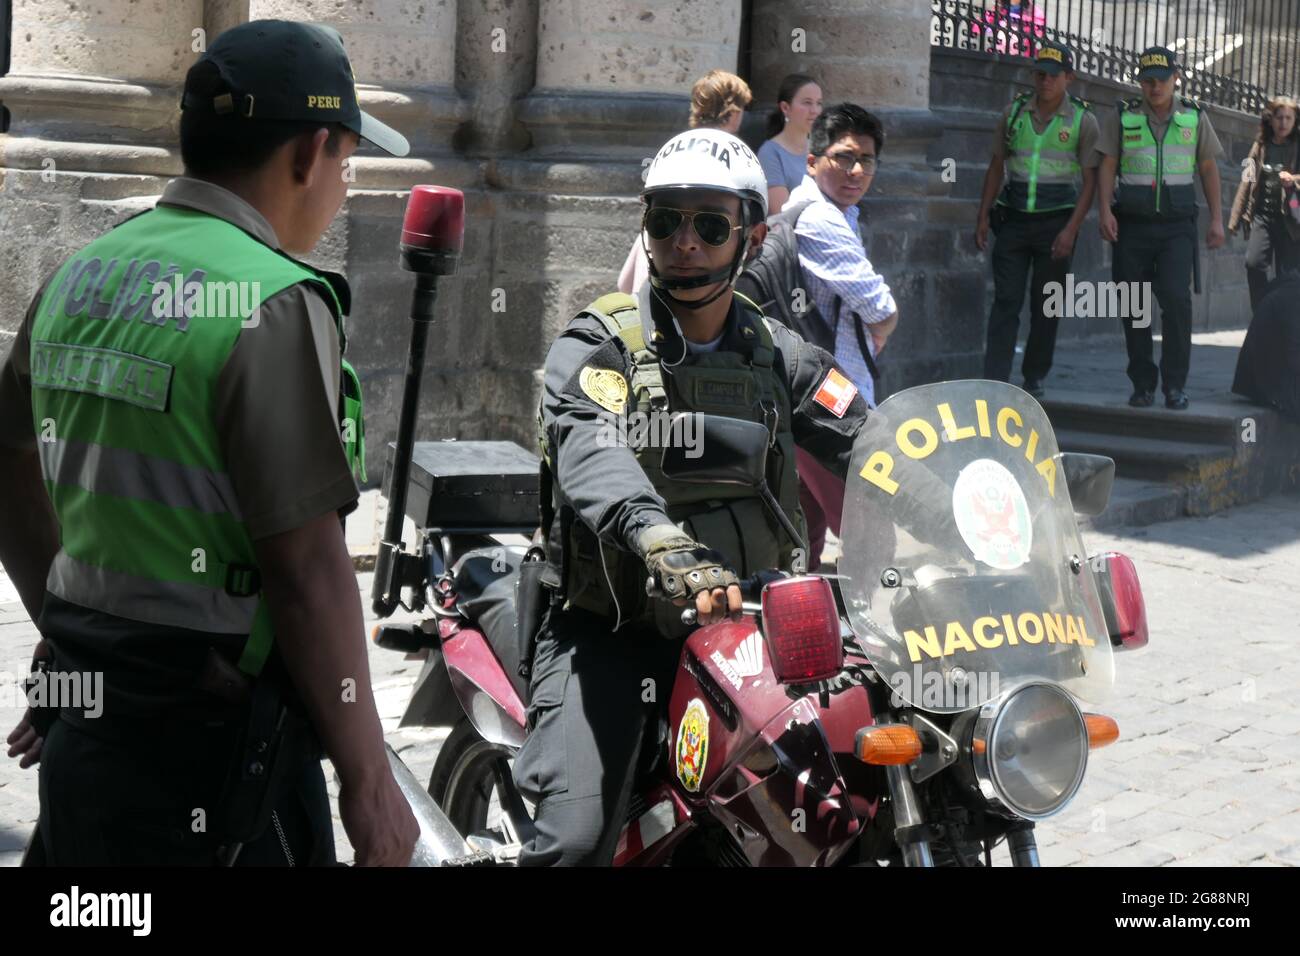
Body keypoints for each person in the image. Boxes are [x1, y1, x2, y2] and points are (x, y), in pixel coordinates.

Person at [0, 20, 419, 866]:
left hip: (89, 742)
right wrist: (369, 782)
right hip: (222, 762)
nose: (340, 182)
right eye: (345, 160)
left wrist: (73, 624)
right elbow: (304, 570)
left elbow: (6, 464)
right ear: (310, 154)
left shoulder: (79, 275)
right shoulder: (272, 301)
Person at [517, 127, 871, 865]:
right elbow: (593, 452)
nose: (685, 242)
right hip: (617, 632)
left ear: (752, 234)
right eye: (665, 221)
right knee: (577, 846)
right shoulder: (598, 347)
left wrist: (968, 509)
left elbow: (876, 445)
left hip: (754, 630)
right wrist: (661, 541)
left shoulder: (779, 354)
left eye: (710, 225)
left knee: (847, 787)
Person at [747, 103, 897, 571]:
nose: (856, 171)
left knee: (802, 533)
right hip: (829, 402)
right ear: (812, 161)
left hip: (802, 394)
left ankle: (804, 631)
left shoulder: (824, 211)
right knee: (870, 528)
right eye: (844, 157)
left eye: (866, 161)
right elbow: (881, 308)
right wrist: (880, 333)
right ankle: (872, 634)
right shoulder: (820, 219)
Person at [1097, 46, 1226, 411]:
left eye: (1162, 80)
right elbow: (1107, 165)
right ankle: (1142, 383)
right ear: (1140, 82)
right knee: (1135, 306)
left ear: (1176, 78)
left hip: (1176, 227)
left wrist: (1216, 219)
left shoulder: (1194, 117)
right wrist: (1104, 210)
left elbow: (1208, 169)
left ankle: (1174, 385)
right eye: (1148, 81)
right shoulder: (1123, 116)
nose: (1155, 87)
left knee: (1176, 300)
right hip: (1132, 225)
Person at [975, 42, 1100, 398]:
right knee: (1006, 301)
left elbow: (1090, 181)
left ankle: (1034, 377)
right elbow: (996, 166)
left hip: (1056, 224)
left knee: (1046, 305)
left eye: (1052, 75)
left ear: (1068, 78)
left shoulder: (1081, 119)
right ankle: (995, 379)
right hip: (1013, 221)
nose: (1044, 81)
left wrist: (1071, 231)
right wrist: (982, 216)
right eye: (1039, 73)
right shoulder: (1014, 112)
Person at [619, 70, 753, 295]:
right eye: (741, 109)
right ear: (732, 110)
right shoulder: (729, 159)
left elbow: (624, 283)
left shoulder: (679, 150)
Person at [1228, 95, 1300, 311]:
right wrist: (1235, 219)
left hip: (1291, 222)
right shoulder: (1260, 146)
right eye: (1279, 117)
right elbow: (1247, 180)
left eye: (1289, 118)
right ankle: (1261, 314)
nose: (1284, 123)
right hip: (1263, 219)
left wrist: (1294, 180)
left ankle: (1285, 320)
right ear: (1271, 119)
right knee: (1254, 264)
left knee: (1288, 276)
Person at [757, 73, 823, 215]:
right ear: (785, 107)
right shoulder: (769, 153)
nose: (815, 110)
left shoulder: (823, 149)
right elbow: (781, 213)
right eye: (807, 102)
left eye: (818, 103)